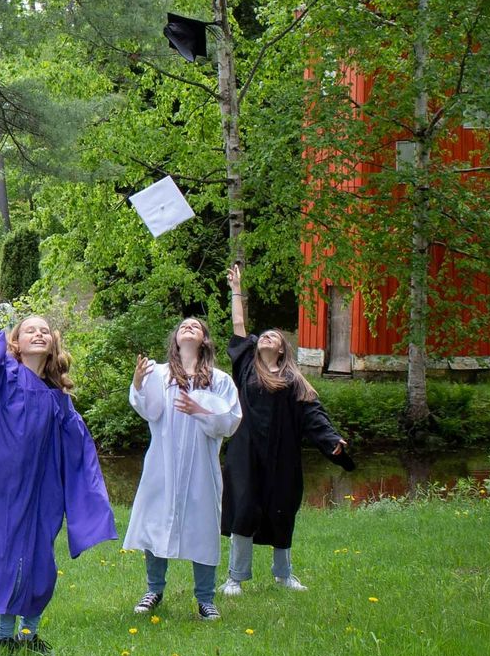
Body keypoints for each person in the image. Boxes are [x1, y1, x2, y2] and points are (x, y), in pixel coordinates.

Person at [0, 240, 117, 654]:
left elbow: (78, 455)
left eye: (45, 329)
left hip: (41, 491)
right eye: (29, 329)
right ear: (17, 343)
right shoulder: (4, 374)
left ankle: (30, 633)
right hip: (0, 485)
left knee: (39, 558)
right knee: (4, 553)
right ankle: (5, 637)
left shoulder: (59, 401)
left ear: (53, 345)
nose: (38, 333)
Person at [220, 264, 354, 595]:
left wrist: (331, 440)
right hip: (245, 452)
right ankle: (235, 577)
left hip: (281, 455)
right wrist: (236, 289)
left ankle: (283, 574)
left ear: (281, 348)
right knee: (245, 508)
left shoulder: (294, 380)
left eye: (273, 337)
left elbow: (313, 415)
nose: (265, 337)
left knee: (281, 509)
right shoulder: (246, 365)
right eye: (262, 335)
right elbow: (239, 326)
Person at [124, 316, 242, 621]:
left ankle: (205, 599)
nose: (188, 328)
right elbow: (149, 411)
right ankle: (154, 590)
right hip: (163, 462)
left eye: (196, 326)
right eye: (183, 326)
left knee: (203, 527)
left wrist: (200, 410)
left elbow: (229, 422)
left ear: (204, 339)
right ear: (175, 338)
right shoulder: (158, 374)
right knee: (155, 522)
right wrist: (137, 383)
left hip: (201, 467)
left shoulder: (219, 380)